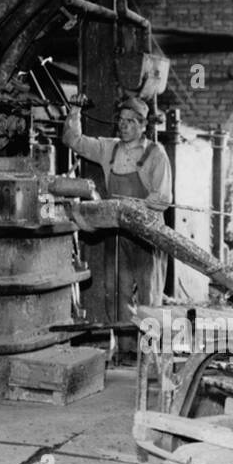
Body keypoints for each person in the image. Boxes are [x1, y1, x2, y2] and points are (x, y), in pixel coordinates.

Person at [62, 95, 173, 315]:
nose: (123, 125)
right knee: (117, 297)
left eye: (130, 121)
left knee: (148, 300)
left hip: (147, 236)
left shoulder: (155, 154)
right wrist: (74, 111)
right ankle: (125, 348)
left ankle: (150, 349)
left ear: (143, 126)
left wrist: (151, 202)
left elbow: (163, 199)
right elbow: (72, 140)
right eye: (121, 120)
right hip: (118, 235)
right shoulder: (109, 149)